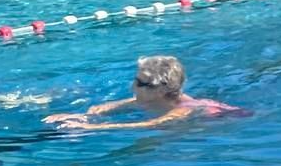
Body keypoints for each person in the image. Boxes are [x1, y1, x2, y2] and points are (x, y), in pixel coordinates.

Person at [45, 55, 243, 131]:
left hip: (234, 119)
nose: (133, 87)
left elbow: (150, 124)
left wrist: (91, 128)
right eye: (135, 80)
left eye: (140, 83)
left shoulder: (185, 110)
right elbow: (105, 108)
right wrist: (80, 116)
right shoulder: (147, 99)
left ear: (163, 89)